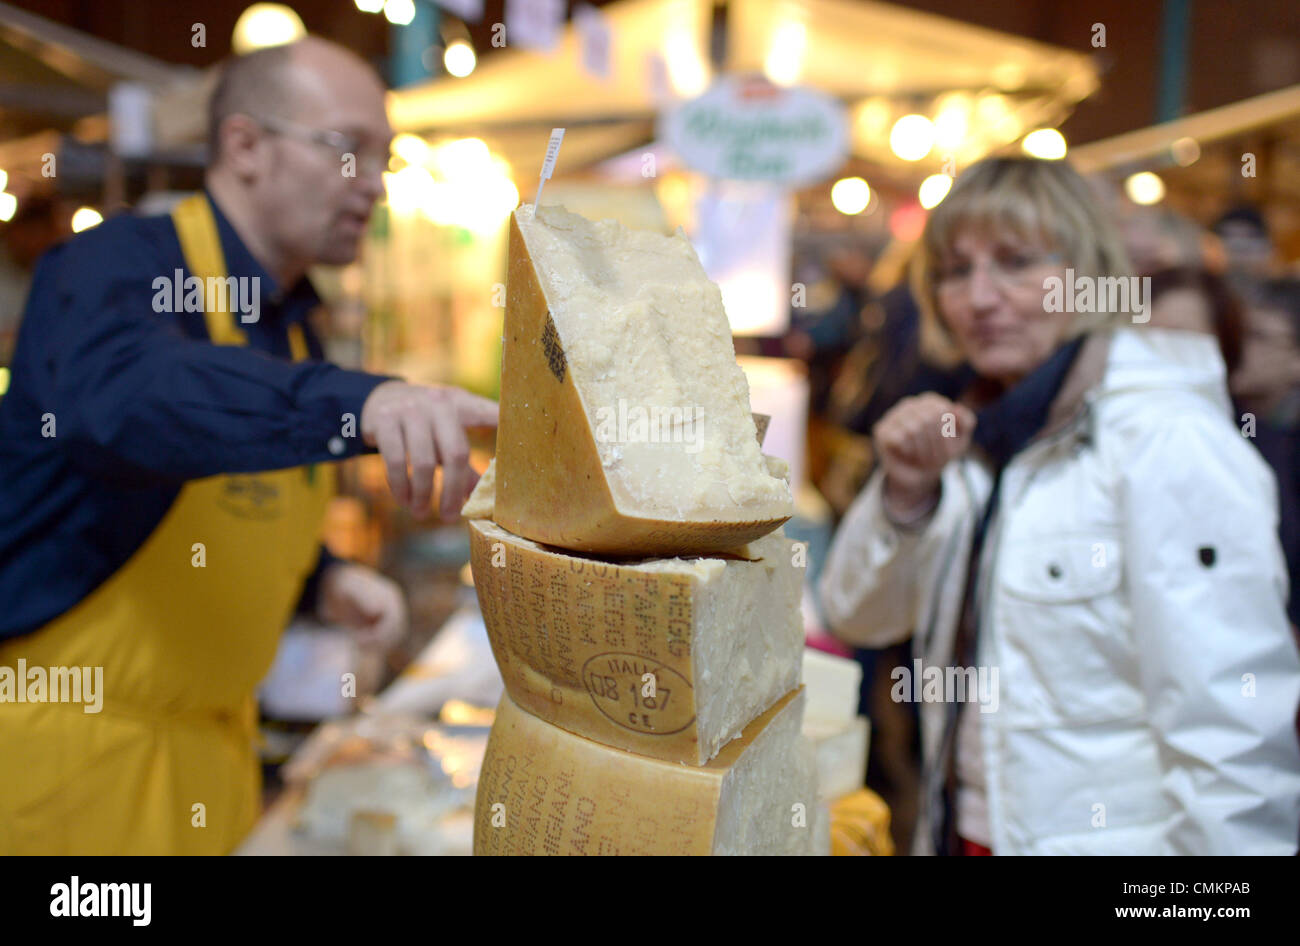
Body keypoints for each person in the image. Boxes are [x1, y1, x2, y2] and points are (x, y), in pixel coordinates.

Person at [0, 38, 497, 855]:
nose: (373, 183)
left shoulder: (291, 327)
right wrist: (363, 400)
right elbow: (132, 403)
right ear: (244, 146)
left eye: (383, 158)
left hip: (215, 765)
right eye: (347, 149)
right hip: (72, 771)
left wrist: (321, 583)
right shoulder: (114, 268)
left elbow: (197, 513)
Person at [819, 156, 1300, 855]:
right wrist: (904, 498)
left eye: (1016, 263)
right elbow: (859, 616)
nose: (980, 298)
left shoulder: (1166, 440)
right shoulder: (982, 437)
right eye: (955, 271)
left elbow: (1233, 726)